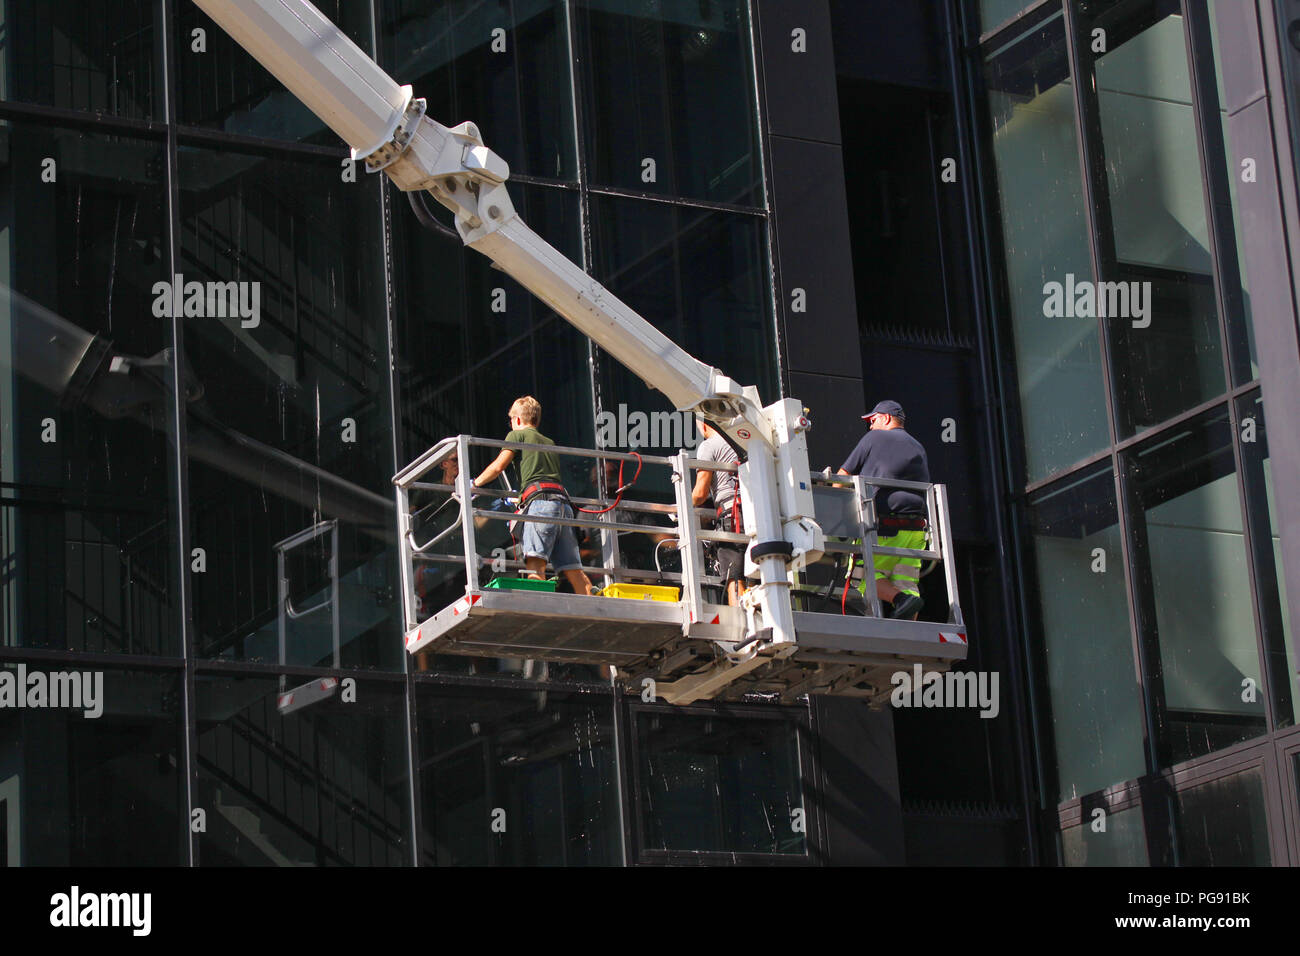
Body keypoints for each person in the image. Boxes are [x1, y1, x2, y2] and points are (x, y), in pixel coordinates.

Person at [471, 396, 592, 596]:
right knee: (574, 570)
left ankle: (539, 607)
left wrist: (474, 484)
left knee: (535, 564)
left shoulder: (516, 435)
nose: (510, 424)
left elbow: (499, 466)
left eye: (511, 420)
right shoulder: (549, 442)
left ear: (517, 420)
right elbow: (542, 476)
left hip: (541, 504)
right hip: (562, 505)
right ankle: (593, 610)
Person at [838, 400, 929, 620]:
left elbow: (841, 477)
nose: (870, 426)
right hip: (916, 530)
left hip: (883, 526)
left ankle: (900, 600)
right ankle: (909, 633)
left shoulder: (874, 438)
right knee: (906, 582)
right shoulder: (918, 446)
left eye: (873, 420)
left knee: (861, 575)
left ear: (886, 418)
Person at [692, 420, 743, 606]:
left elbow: (700, 493)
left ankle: (743, 630)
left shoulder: (709, 445)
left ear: (704, 426)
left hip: (732, 516)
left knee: (735, 580)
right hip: (758, 516)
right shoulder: (744, 440)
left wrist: (681, 507)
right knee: (757, 577)